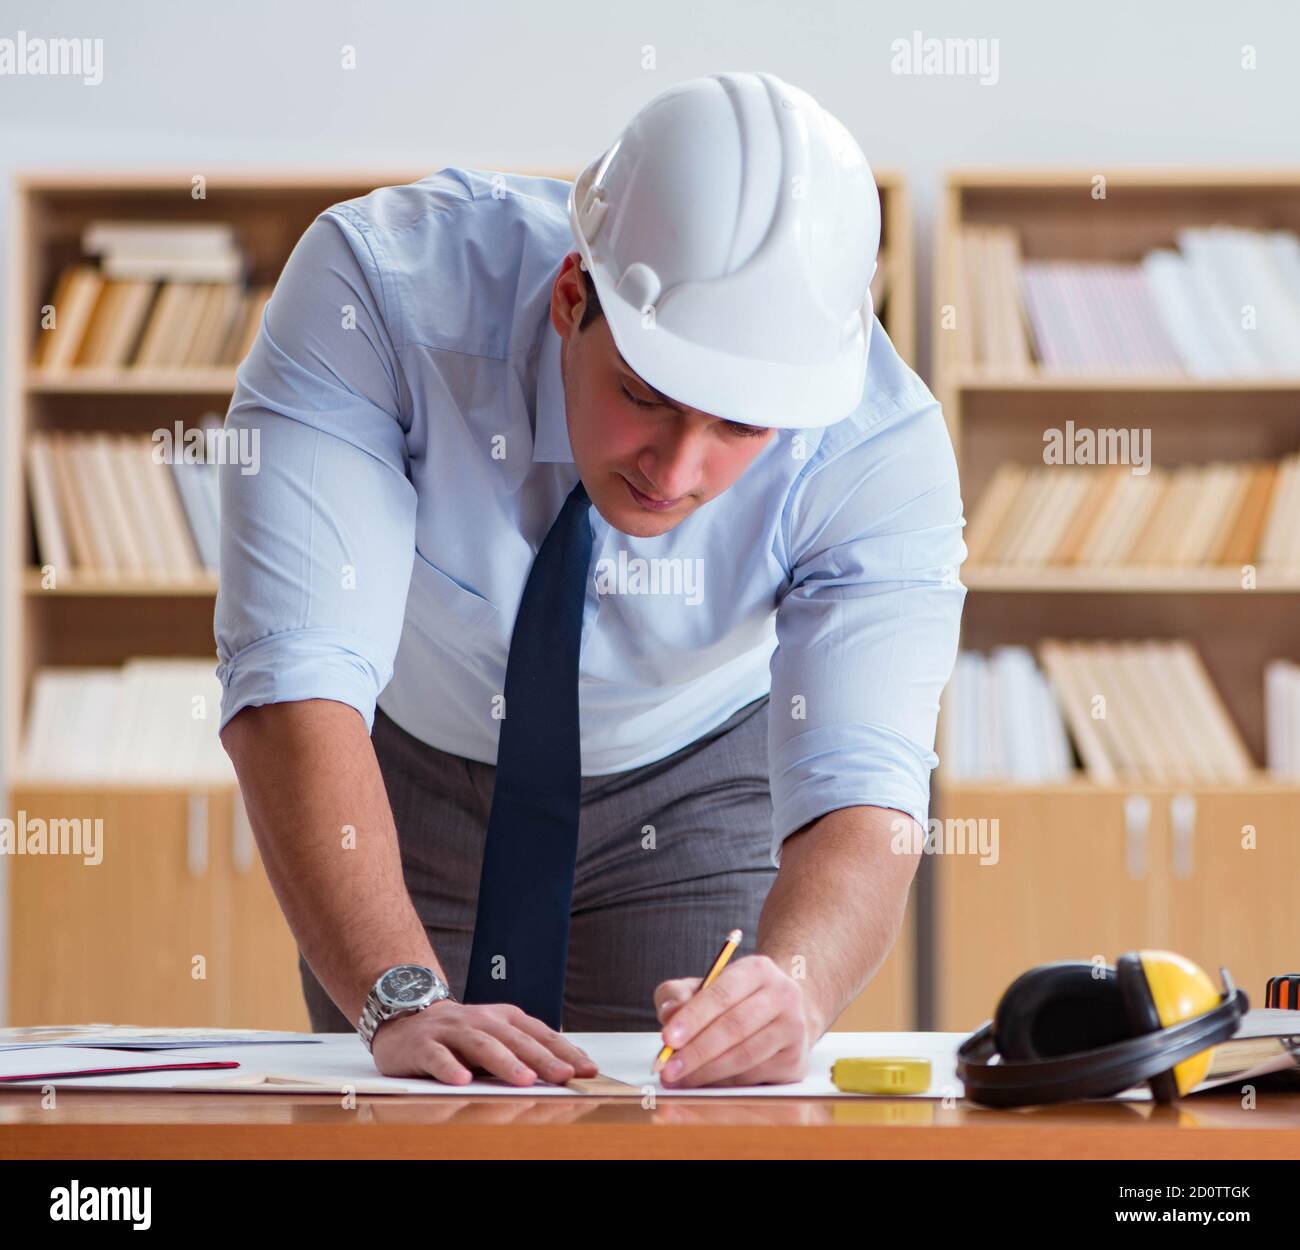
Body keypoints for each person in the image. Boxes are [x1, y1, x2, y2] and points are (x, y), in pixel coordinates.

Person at [216, 71, 966, 1090]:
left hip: (692, 775)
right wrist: (394, 991)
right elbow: (292, 673)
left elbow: (866, 788)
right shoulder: (376, 295)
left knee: (688, 1110)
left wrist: (793, 986)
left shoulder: (877, 448)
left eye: (738, 428)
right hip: (408, 768)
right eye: (644, 396)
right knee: (418, 1111)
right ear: (573, 297)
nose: (676, 467)